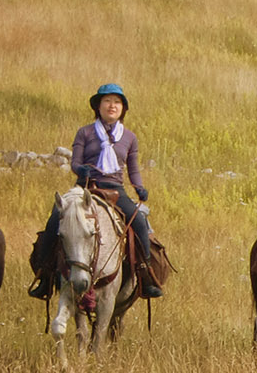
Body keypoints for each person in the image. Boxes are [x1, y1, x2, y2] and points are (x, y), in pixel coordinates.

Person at [29, 83, 163, 300]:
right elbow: (75, 162)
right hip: (85, 188)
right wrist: (80, 169)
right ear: (98, 106)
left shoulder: (129, 137)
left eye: (117, 102)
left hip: (115, 190)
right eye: (107, 101)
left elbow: (133, 169)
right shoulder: (85, 132)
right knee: (55, 220)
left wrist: (139, 188)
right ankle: (45, 276)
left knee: (138, 221)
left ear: (123, 108)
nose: (112, 106)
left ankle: (146, 275)